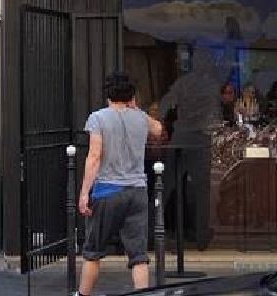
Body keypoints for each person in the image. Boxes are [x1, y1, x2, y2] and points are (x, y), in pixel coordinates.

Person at [74, 74, 163, 296]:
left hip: (108, 190)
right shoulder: (140, 118)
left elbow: (94, 156)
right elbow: (158, 129)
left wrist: (84, 192)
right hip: (137, 190)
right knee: (138, 255)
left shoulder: (97, 118)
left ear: (108, 95)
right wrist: (136, 108)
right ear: (132, 95)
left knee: (93, 251)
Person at [159, 47, 222, 250]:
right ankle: (202, 238)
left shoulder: (183, 82)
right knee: (202, 190)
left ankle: (151, 233)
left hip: (181, 136)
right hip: (200, 139)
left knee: (164, 187)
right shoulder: (211, 86)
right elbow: (216, 116)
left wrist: (160, 123)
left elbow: (165, 104)